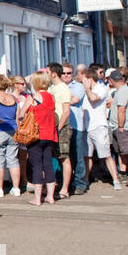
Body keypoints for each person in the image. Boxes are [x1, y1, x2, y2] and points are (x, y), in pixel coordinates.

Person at [0, 74, 27, 197]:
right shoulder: (13, 98)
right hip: (12, 131)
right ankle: (16, 188)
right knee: (13, 160)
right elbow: (17, 117)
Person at [82, 66, 121, 190]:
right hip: (86, 127)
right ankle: (86, 180)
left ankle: (115, 180)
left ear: (90, 79)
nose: (82, 82)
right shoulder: (84, 90)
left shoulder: (101, 88)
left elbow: (94, 99)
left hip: (99, 126)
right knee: (87, 156)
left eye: (84, 80)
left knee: (105, 155)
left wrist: (88, 89)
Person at [25, 72, 59, 206]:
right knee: (48, 165)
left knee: (37, 166)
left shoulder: (33, 97)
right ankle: (50, 196)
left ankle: (37, 198)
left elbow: (22, 113)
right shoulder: (52, 97)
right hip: (50, 135)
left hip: (36, 135)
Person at [47, 63, 73, 200]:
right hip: (51, 126)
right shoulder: (52, 88)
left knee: (64, 157)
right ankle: (54, 185)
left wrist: (59, 127)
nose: (46, 74)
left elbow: (66, 111)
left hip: (61, 127)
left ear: (53, 73)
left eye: (47, 72)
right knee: (53, 156)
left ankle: (65, 189)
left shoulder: (63, 89)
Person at [108, 69, 128, 185]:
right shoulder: (120, 91)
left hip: (123, 126)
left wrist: (121, 125)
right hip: (118, 126)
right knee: (121, 151)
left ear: (112, 80)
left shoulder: (123, 91)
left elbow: (122, 109)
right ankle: (123, 172)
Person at [65, 63, 89, 196]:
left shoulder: (78, 86)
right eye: (64, 73)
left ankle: (80, 183)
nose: (66, 75)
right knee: (64, 157)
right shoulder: (55, 87)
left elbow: (74, 100)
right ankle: (65, 183)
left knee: (78, 156)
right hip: (61, 126)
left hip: (76, 125)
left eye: (69, 73)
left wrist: (60, 97)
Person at [10, 74, 34, 193]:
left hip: (28, 128)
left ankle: (25, 179)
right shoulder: (11, 97)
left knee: (26, 156)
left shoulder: (26, 96)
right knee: (19, 156)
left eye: (25, 83)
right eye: (22, 84)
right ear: (15, 85)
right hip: (18, 129)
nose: (24, 85)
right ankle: (22, 180)